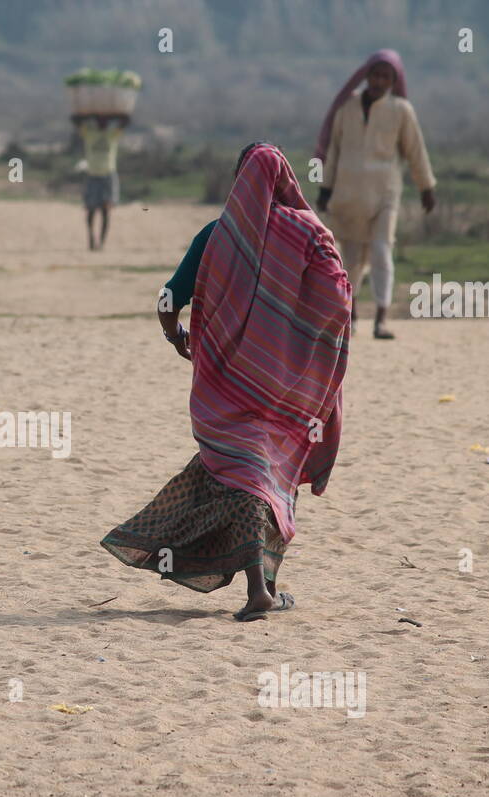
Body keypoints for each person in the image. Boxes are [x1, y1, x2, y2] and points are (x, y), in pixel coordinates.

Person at [101, 143, 351, 622]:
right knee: (270, 476)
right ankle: (264, 588)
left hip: (227, 389)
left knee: (244, 475)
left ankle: (263, 588)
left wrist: (176, 336)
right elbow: (338, 300)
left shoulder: (218, 237)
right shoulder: (311, 234)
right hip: (287, 389)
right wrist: (301, 345)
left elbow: (167, 299)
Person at [315, 49, 436, 340]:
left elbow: (415, 151)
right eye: (375, 75)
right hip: (348, 195)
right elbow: (334, 151)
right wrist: (325, 188)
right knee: (351, 259)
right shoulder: (347, 108)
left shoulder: (401, 111)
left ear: (393, 80)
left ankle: (381, 318)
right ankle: (351, 317)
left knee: (382, 251)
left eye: (386, 76)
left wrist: (426, 187)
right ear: (366, 76)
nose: (379, 81)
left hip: (385, 194)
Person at [74, 114, 126, 250]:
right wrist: (89, 114)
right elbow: (75, 119)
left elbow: (126, 121)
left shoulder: (112, 134)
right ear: (95, 121)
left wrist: (115, 115)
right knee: (90, 210)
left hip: (108, 175)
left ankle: (101, 242)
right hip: (92, 175)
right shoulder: (89, 134)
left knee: (105, 210)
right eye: (99, 120)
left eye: (105, 120)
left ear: (108, 122)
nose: (102, 122)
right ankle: (91, 238)